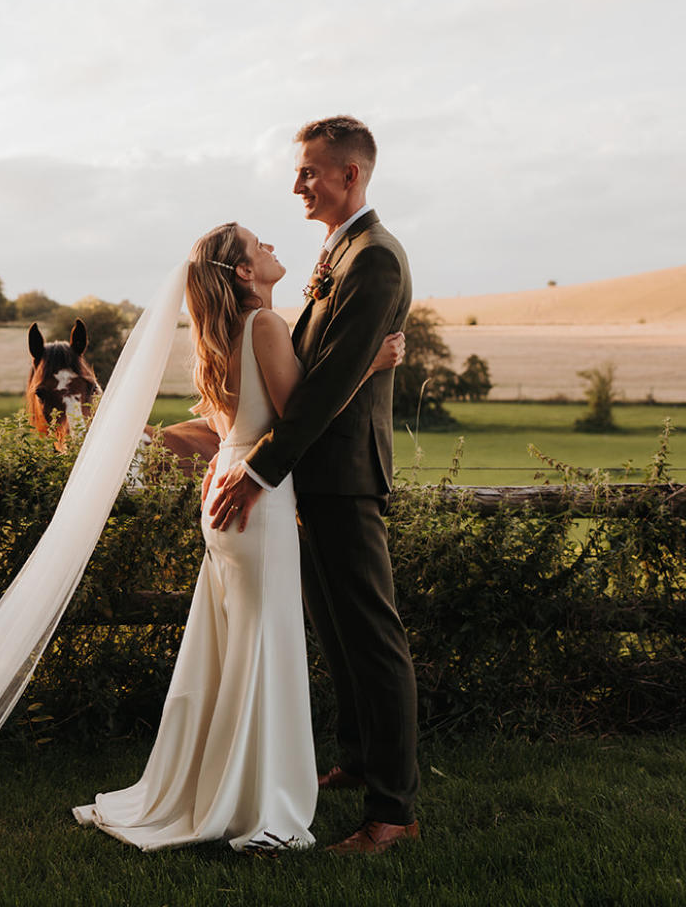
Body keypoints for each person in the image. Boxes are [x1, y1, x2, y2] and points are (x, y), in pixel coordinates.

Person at [74, 222, 401, 852]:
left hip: (226, 490)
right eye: (260, 245)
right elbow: (303, 415)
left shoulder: (221, 337)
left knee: (236, 643)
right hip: (259, 500)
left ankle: (225, 785)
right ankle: (262, 805)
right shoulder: (266, 328)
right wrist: (370, 365)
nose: (274, 246)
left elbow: (225, 427)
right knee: (264, 644)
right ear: (245, 274)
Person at [207, 116, 419, 854]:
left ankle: (392, 812)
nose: (297, 184)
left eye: (309, 173)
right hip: (311, 477)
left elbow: (325, 387)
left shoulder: (376, 260)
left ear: (349, 176)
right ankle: (359, 763)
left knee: (372, 639)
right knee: (337, 632)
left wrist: (260, 469)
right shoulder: (338, 251)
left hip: (345, 476)